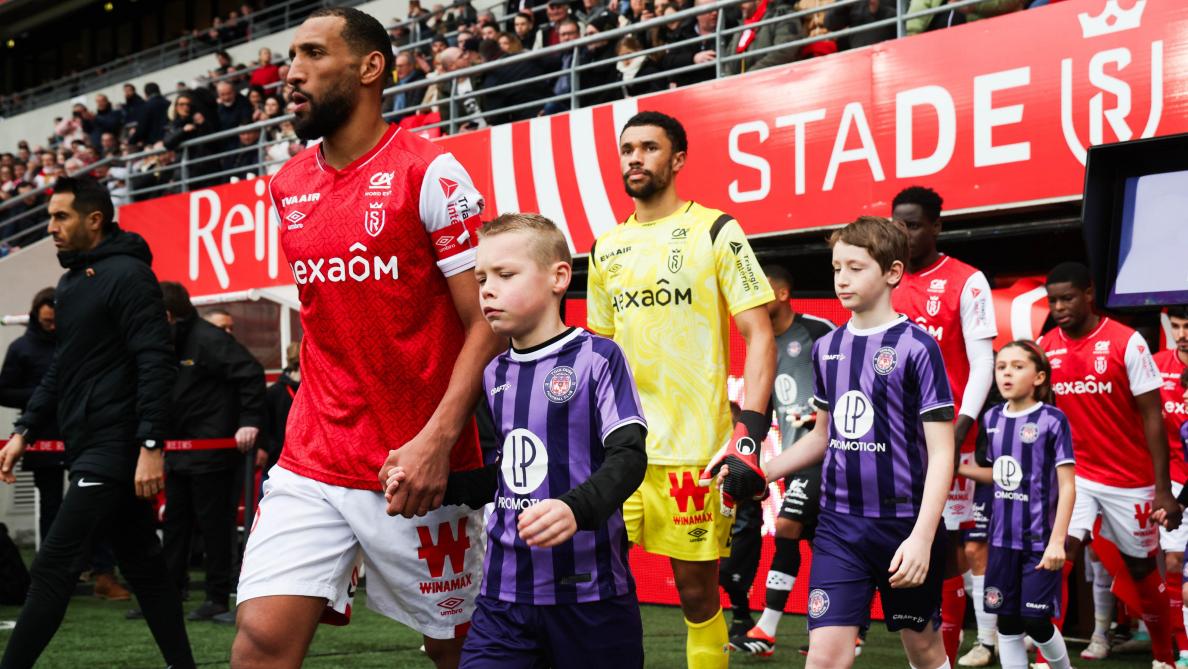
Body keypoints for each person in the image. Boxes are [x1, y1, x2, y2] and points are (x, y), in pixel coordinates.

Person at [230, 9, 504, 669]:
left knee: (461, 651)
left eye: (313, 55)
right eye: (290, 57)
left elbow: (487, 322)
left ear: (370, 67)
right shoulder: (288, 183)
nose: (289, 74)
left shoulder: (431, 173)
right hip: (313, 454)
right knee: (262, 639)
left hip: (417, 468)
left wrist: (436, 442)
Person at [387, 213, 650, 667]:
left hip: (591, 597)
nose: (487, 289)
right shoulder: (492, 374)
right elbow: (502, 475)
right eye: (481, 277)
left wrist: (575, 507)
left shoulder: (599, 357)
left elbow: (628, 457)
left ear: (558, 277)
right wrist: (437, 487)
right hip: (503, 598)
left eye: (505, 275)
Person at [586, 110, 777, 669]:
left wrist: (750, 435)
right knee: (591, 585)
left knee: (695, 595)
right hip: (618, 449)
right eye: (627, 149)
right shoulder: (605, 247)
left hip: (694, 452)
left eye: (648, 147)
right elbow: (598, 349)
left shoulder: (716, 230)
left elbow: (758, 333)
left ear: (678, 159)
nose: (635, 158)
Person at [0, 176, 194, 669]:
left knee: (51, 567)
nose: (51, 228)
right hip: (89, 444)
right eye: (49, 218)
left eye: (61, 217)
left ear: (94, 219)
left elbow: (155, 359)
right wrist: (24, 430)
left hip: (116, 447)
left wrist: (151, 443)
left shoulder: (129, 275)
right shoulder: (70, 283)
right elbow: (64, 367)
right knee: (146, 570)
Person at [750, 215, 954, 669]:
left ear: (892, 273)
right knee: (823, 659)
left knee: (924, 652)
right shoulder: (829, 347)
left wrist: (921, 538)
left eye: (856, 267)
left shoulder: (918, 347)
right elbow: (822, 437)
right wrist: (758, 473)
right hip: (840, 527)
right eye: (837, 267)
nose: (842, 278)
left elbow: (943, 453)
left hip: (905, 526)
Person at [1039, 261, 1181, 668]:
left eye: (1067, 298)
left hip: (1129, 480)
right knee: (1059, 556)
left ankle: (1163, 656)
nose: (1060, 307)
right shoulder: (1046, 345)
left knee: (1140, 567)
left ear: (1089, 294)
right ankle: (1051, 660)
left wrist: (1162, 488)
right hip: (1077, 477)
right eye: (1053, 301)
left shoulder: (1126, 341)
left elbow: (1153, 415)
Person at [890, 186, 998, 667]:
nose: (903, 233)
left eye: (912, 224)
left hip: (950, 439)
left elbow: (982, 363)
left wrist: (959, 428)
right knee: (916, 541)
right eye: (897, 224)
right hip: (893, 441)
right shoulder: (884, 278)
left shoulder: (967, 280)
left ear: (936, 225)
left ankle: (959, 648)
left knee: (953, 542)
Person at [728, 266, 835, 657]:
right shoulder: (762, 345)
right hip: (794, 456)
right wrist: (750, 460)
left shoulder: (819, 331)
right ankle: (848, 626)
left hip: (826, 453)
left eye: (762, 292)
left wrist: (827, 416)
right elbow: (763, 407)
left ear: (784, 293)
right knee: (824, 540)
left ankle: (766, 629)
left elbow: (850, 379)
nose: (754, 300)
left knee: (787, 526)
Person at [956, 340, 1076, 669]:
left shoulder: (1053, 419)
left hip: (1039, 542)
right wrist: (957, 467)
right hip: (1001, 541)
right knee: (1007, 623)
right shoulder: (992, 417)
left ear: (1039, 377)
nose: (1007, 372)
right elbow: (1001, 473)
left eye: (1018, 366)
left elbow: (1067, 486)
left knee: (1035, 623)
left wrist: (1057, 542)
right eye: (1001, 366)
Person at [157, 282, 265, 621]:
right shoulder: (174, 341)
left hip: (212, 452)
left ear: (167, 315)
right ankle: (170, 594)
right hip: (180, 451)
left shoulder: (208, 339)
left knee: (214, 525)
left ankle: (218, 597)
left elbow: (251, 373)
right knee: (175, 524)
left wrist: (249, 422)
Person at [0, 289, 66, 545]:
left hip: (76, 432)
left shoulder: (74, 344)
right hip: (41, 435)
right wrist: (41, 395)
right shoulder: (21, 348)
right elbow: (3, 392)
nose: (51, 327)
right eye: (47, 321)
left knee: (90, 502)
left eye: (56, 322)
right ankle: (54, 569)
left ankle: (98, 568)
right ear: (36, 316)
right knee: (51, 506)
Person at [1156, 305, 1188, 664]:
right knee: (1175, 561)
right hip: (1174, 482)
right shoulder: (1157, 364)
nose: (1182, 334)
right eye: (1176, 326)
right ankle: (1182, 647)